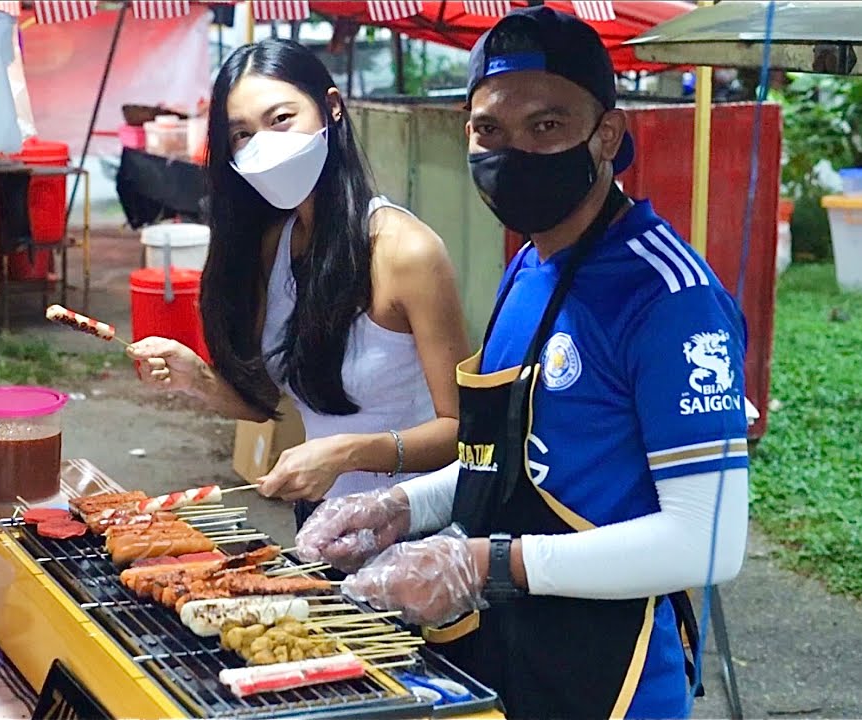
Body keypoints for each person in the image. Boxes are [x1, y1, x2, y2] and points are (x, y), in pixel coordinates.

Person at [294, 8, 750, 719]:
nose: (514, 152)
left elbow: (707, 541)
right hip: (501, 658)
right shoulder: (528, 265)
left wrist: (481, 565)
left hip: (613, 682)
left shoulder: (668, 296)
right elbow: (507, 462)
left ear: (607, 134)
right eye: (489, 130)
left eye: (547, 125)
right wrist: (396, 506)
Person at [128, 39, 470, 527]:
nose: (263, 144)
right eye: (242, 134)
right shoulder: (275, 243)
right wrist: (198, 379)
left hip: (412, 529)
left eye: (281, 119)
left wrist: (347, 455)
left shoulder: (407, 251)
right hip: (322, 523)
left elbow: (464, 433)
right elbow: (277, 403)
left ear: (331, 108)